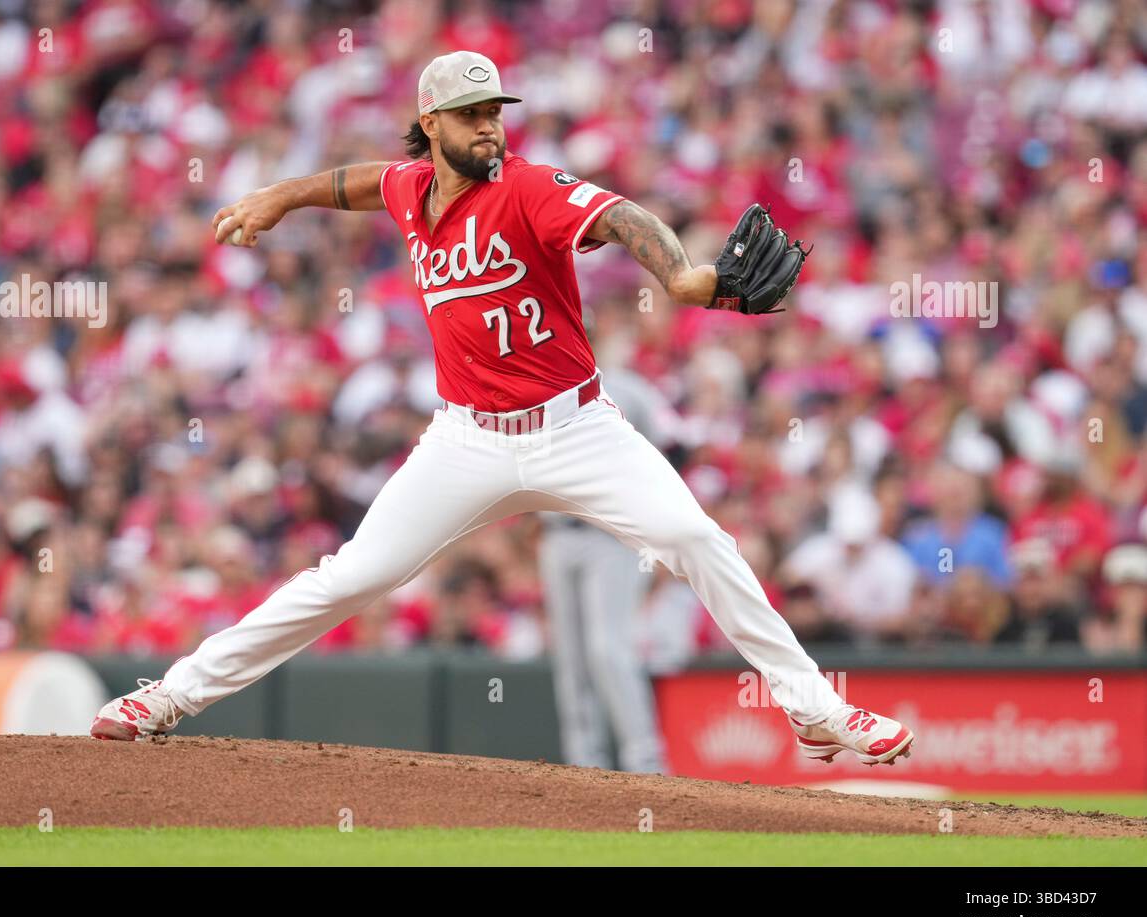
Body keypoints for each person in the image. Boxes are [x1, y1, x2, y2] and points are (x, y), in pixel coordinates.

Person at [91, 51, 914, 768]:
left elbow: (621, 216)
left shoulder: (529, 189)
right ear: (431, 122)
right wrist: (281, 194)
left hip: (578, 427)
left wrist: (682, 277)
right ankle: (170, 696)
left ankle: (817, 710)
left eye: (494, 113)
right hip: (466, 442)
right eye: (471, 115)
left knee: (696, 538)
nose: (490, 128)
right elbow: (357, 182)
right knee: (351, 576)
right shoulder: (414, 190)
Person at [538, 365, 671, 774]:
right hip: (558, 532)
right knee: (571, 656)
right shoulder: (539, 385)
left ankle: (645, 761)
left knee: (607, 648)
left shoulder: (628, 389)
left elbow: (665, 451)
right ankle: (584, 764)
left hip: (612, 534)